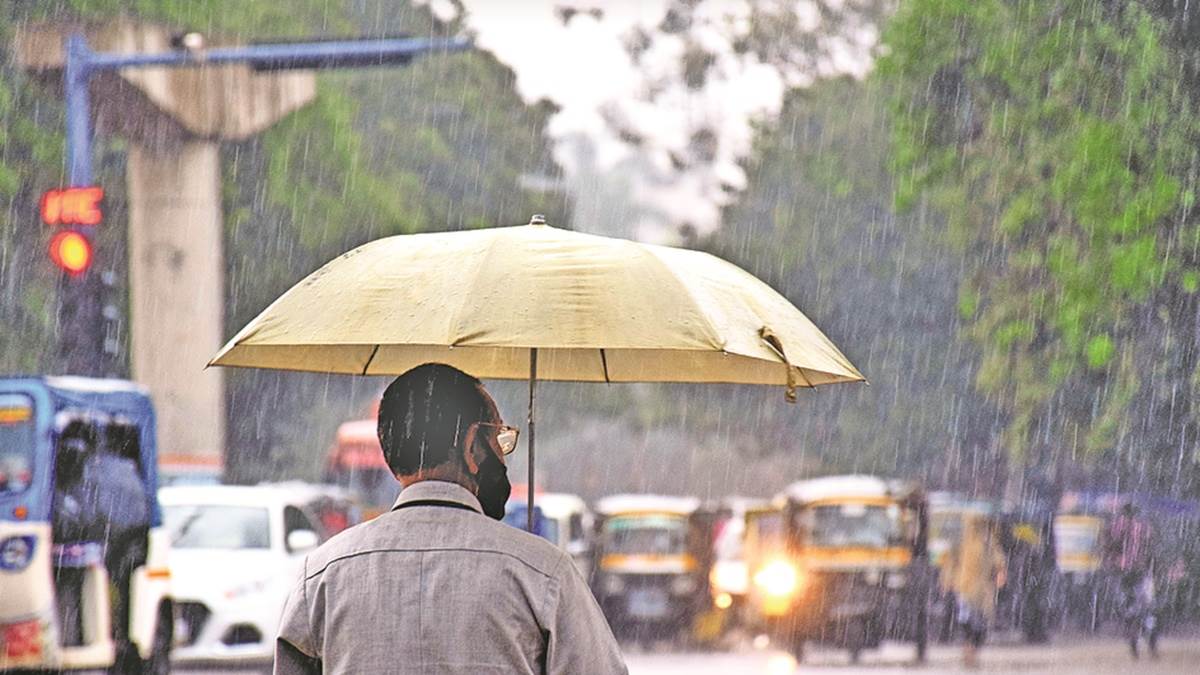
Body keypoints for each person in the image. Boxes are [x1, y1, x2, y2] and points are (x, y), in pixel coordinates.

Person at [275, 363, 627, 675]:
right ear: (473, 446)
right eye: (499, 440)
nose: (503, 460)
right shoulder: (544, 574)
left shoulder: (322, 576)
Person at [939, 514, 1006, 668]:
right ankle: (969, 649)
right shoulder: (962, 542)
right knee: (967, 621)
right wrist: (946, 581)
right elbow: (950, 562)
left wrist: (1000, 573)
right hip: (965, 588)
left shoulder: (988, 543)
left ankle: (971, 649)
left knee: (978, 624)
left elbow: (998, 560)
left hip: (981, 591)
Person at [1106, 502, 1158, 658]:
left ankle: (1136, 645)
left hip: (1126, 572)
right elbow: (1152, 548)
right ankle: (1150, 643)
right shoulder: (1144, 527)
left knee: (1132, 611)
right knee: (1148, 609)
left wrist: (1115, 562)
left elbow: (1108, 547)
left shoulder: (1115, 527)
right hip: (1141, 572)